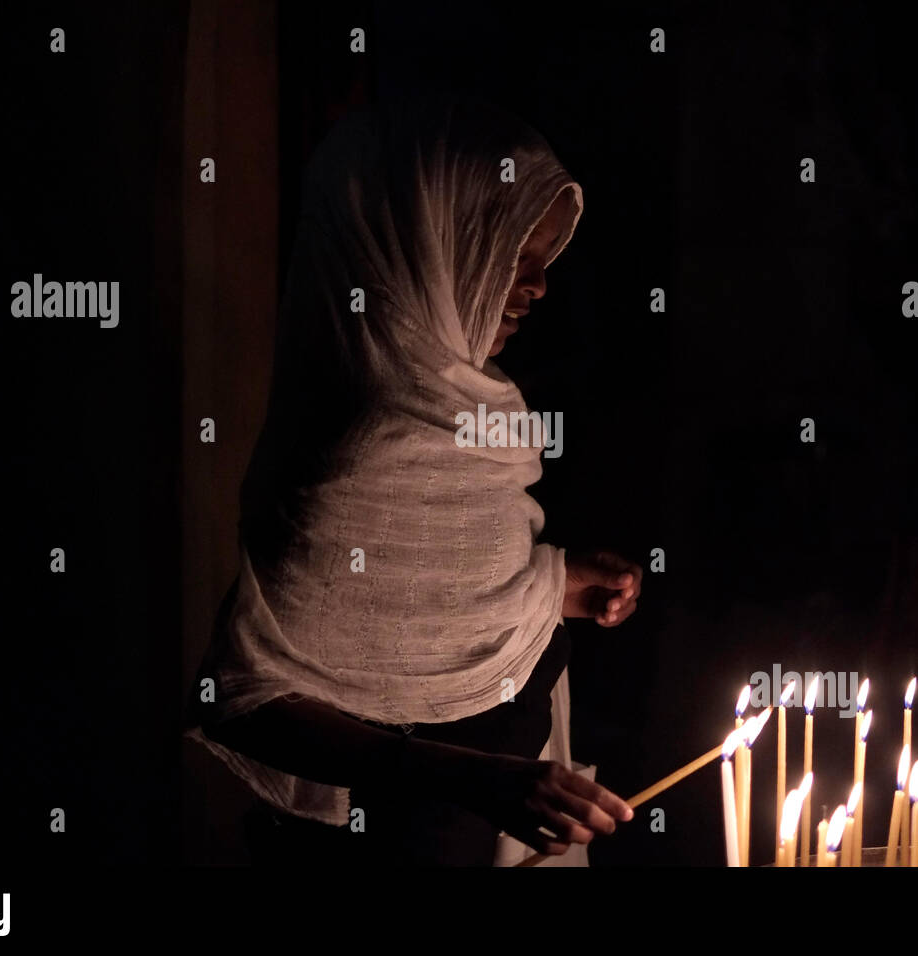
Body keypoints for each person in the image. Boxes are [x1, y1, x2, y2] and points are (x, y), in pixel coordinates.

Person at [185, 92, 643, 866]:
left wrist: (555, 581)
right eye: (512, 262)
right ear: (422, 252)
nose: (536, 290)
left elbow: (414, 610)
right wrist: (477, 781)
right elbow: (242, 698)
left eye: (543, 265)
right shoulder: (361, 450)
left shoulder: (478, 411)